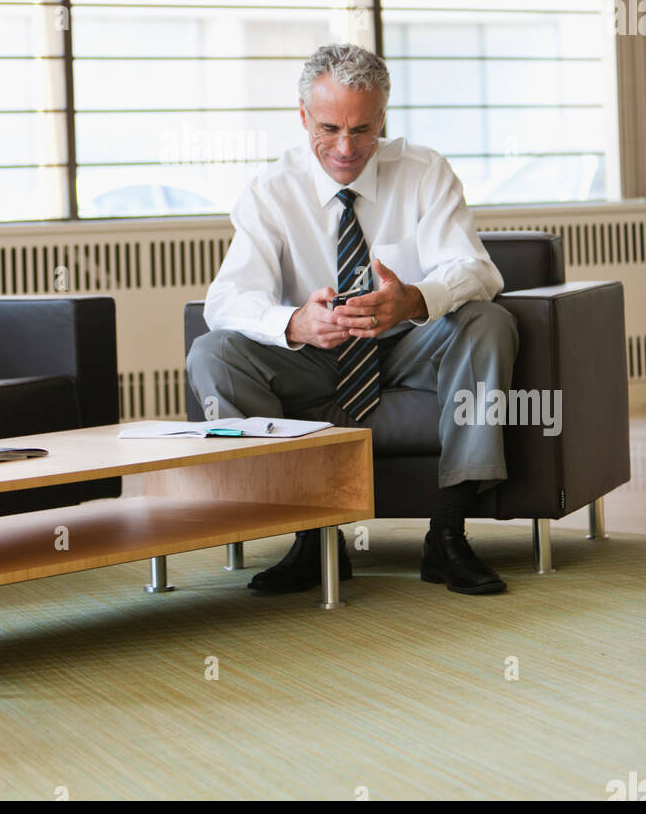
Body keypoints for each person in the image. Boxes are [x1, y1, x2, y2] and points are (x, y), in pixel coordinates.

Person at [187, 42, 519, 596]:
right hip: (313, 361)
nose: (346, 148)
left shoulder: (423, 172)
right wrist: (293, 322)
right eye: (329, 128)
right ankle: (314, 538)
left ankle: (448, 533)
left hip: (410, 350)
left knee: (488, 321)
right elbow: (226, 299)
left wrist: (415, 299)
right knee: (212, 352)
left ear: (383, 118)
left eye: (363, 130)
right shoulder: (271, 190)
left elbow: (477, 271)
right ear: (302, 117)